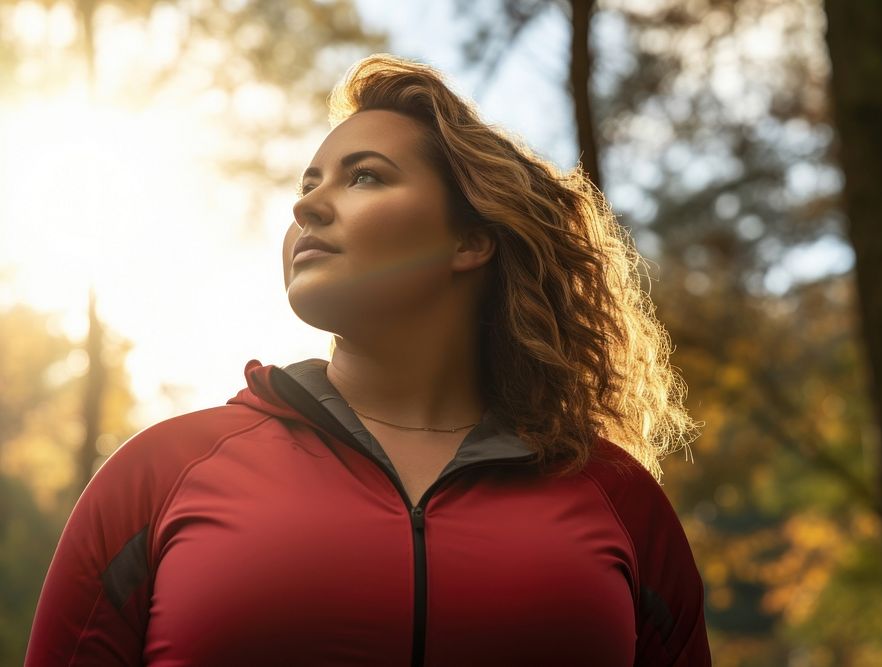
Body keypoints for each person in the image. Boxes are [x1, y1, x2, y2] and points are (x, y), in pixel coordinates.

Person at [26, 53, 710, 666]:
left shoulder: (618, 499)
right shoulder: (161, 474)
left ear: (470, 241)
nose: (307, 206)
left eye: (364, 177)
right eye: (309, 184)